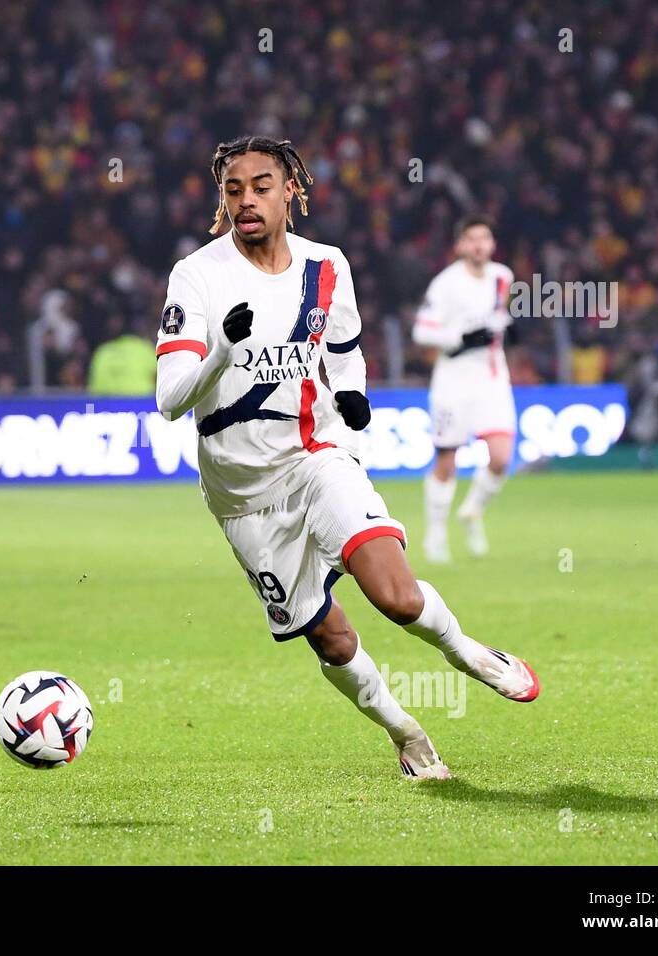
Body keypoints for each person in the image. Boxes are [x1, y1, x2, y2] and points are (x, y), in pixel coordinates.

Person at [155, 137, 538, 780]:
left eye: (261, 187)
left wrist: (353, 392)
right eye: (233, 189)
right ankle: (405, 732)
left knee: (397, 598)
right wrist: (220, 350)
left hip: (317, 454)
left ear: (291, 191)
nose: (247, 200)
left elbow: (345, 350)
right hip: (242, 494)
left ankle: (465, 651)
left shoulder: (327, 266)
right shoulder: (197, 275)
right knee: (330, 638)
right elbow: (169, 398)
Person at [412, 217, 517, 562]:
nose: (478, 245)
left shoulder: (502, 277)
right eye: (471, 239)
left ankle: (472, 510)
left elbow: (501, 318)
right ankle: (436, 534)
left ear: (492, 243)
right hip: (453, 381)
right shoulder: (446, 284)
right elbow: (421, 331)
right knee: (447, 460)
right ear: (459, 246)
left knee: (501, 457)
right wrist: (458, 338)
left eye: (484, 238)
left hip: (492, 378)